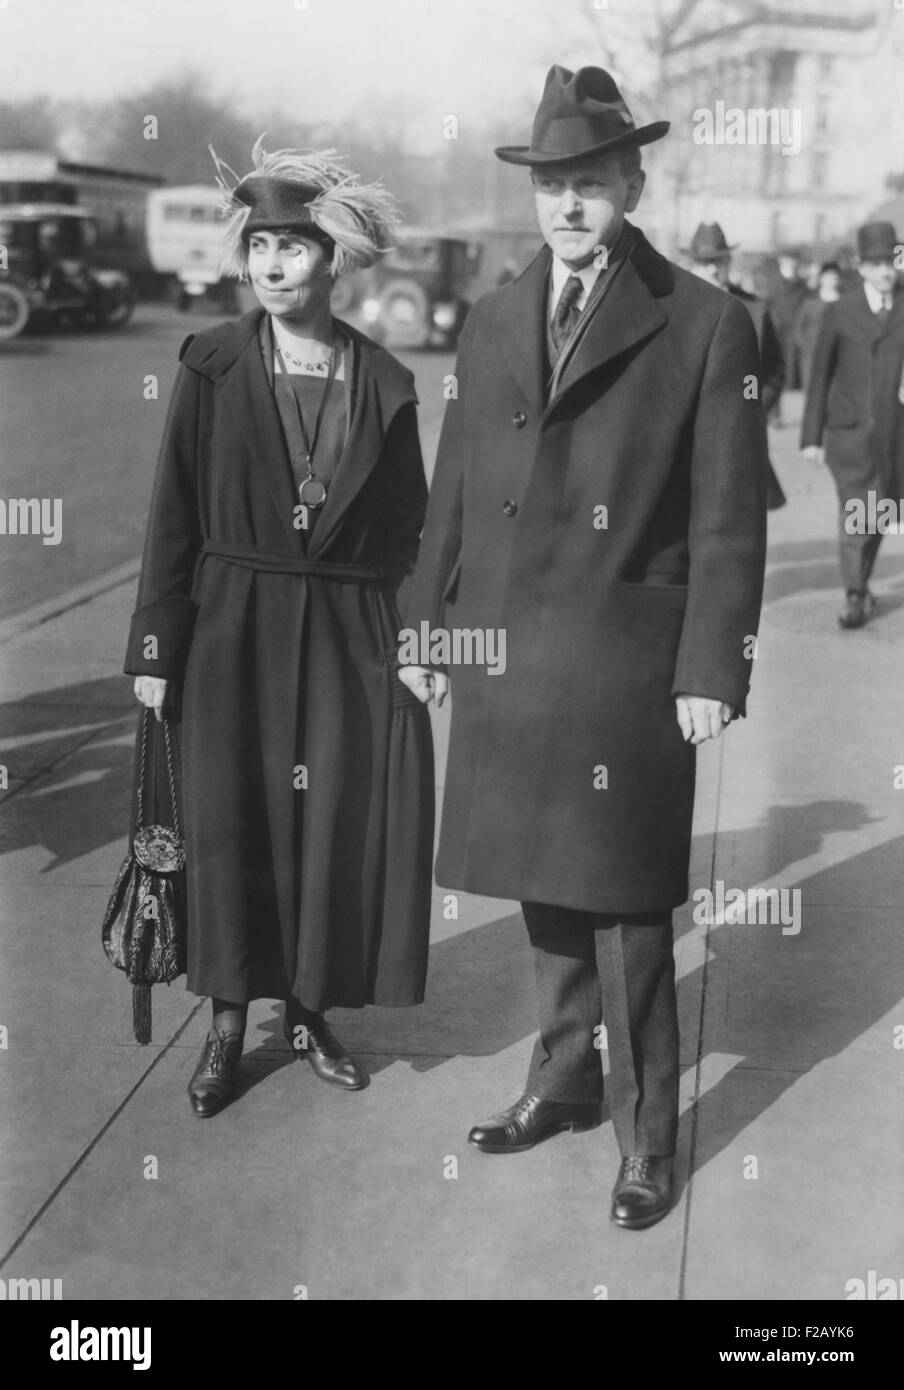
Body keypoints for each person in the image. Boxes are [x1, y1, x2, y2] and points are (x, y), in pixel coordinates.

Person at [398, 65, 767, 1230]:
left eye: (592, 184)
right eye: (553, 185)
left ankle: (647, 1135)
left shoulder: (705, 321)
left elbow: (725, 517)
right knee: (539, 881)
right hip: (509, 647)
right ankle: (560, 1080)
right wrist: (424, 618)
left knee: (625, 907)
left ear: (633, 184)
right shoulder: (499, 313)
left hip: (624, 658)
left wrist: (712, 665)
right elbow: (453, 480)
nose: (568, 206)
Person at [125, 138, 435, 1117]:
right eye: (258, 244)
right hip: (233, 628)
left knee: (327, 826)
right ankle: (225, 1025)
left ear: (332, 259)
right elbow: (172, 511)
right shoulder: (212, 364)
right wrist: (154, 646)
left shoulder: (385, 381)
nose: (269, 264)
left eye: (292, 247)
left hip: (348, 633)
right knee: (232, 824)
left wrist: (418, 642)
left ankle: (307, 1009)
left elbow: (409, 530)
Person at [800, 220, 904, 630]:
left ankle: (860, 581)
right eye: (876, 264)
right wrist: (811, 436)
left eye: (890, 261)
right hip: (849, 433)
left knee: (882, 511)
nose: (885, 271)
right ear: (861, 267)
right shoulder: (841, 311)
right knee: (856, 510)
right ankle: (855, 592)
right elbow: (820, 375)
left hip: (895, 434)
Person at [684, 221, 786, 509]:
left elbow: (776, 368)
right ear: (692, 265)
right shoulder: (673, 309)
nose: (713, 270)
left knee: (741, 523)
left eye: (718, 261)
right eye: (704, 263)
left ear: (728, 261)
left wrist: (756, 407)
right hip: (687, 437)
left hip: (740, 433)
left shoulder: (754, 308)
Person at [794, 261, 842, 392]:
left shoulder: (844, 302)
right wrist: (805, 347)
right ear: (821, 279)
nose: (831, 280)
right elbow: (798, 328)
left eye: (834, 277)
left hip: (837, 356)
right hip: (811, 355)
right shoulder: (809, 301)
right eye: (828, 277)